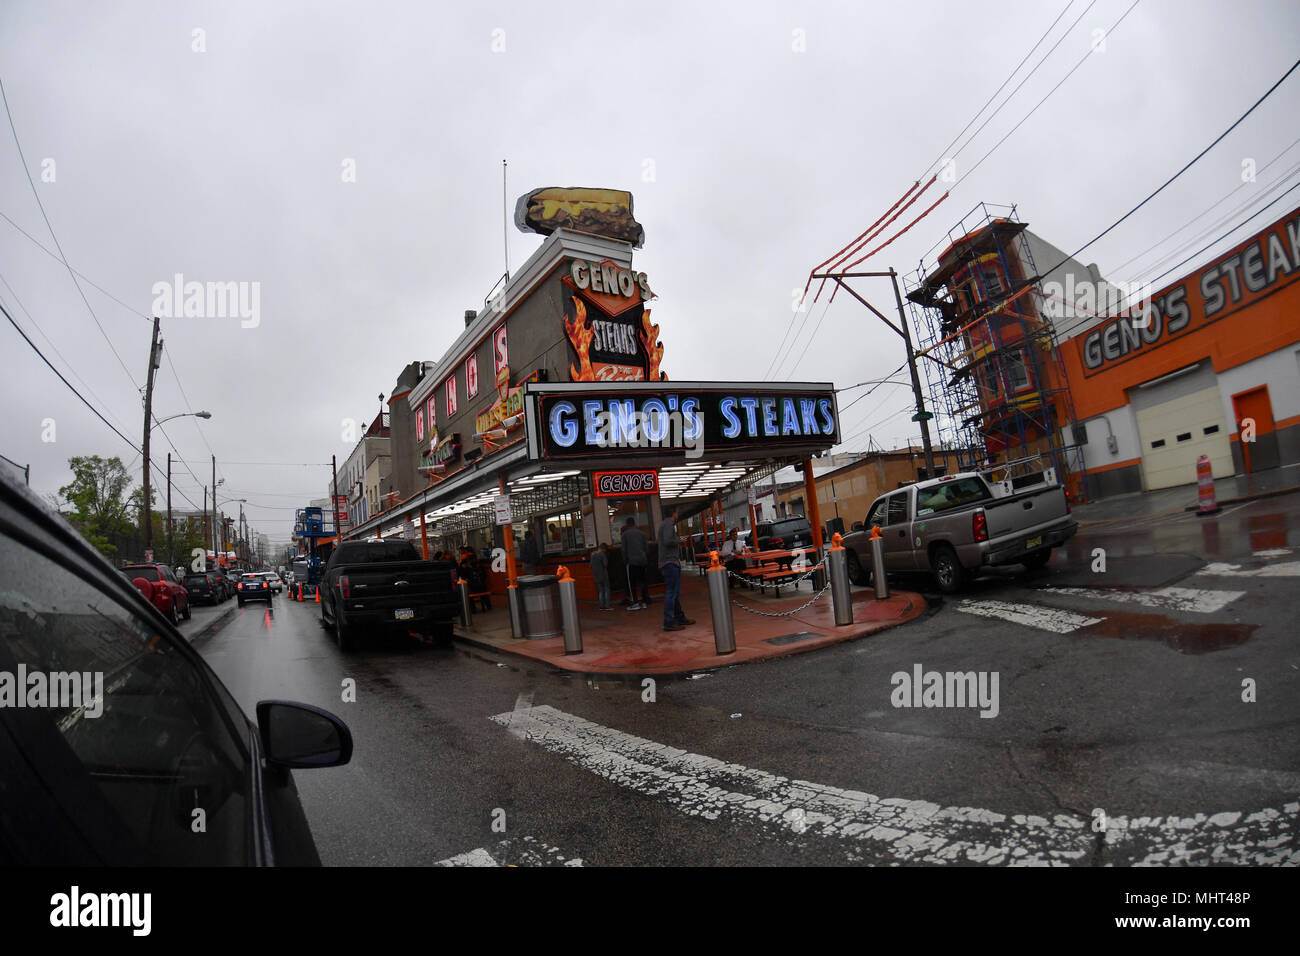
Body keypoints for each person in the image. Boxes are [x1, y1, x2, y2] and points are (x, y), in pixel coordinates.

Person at [657, 505, 694, 632]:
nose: (678, 514)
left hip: (668, 562)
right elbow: (668, 541)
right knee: (672, 592)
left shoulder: (665, 524)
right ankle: (668, 622)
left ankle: (679, 617)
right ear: (673, 513)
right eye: (677, 512)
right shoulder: (668, 524)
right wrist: (679, 540)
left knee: (674, 592)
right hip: (670, 562)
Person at [620, 517, 649, 610]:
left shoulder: (625, 535)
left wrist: (625, 560)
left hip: (631, 562)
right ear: (634, 523)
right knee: (643, 582)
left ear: (627, 524)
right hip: (642, 561)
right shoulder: (642, 533)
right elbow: (646, 548)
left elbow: (623, 550)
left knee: (632, 583)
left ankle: (635, 603)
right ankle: (644, 602)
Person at [590, 543, 612, 610]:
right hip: (604, 575)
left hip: (596, 575)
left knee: (600, 591)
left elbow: (591, 565)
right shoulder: (602, 554)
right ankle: (607, 606)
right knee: (606, 590)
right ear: (603, 549)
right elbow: (605, 564)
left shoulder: (592, 555)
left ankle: (601, 606)